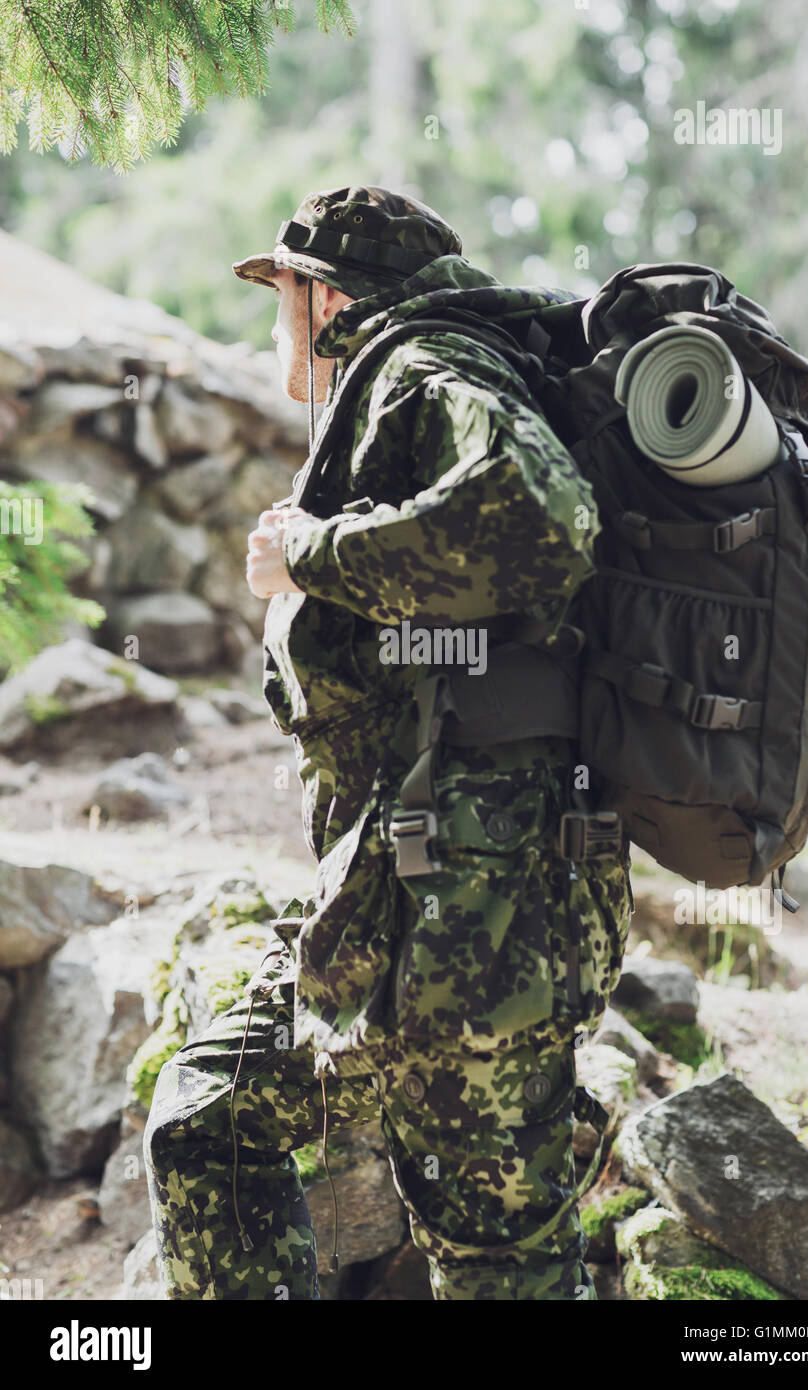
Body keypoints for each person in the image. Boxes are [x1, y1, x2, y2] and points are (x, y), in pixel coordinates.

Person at [143, 184, 634, 1301]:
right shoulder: (420, 377)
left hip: (470, 913)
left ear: (321, 298)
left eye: (280, 294)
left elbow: (542, 519)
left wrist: (311, 553)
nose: (274, 322)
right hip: (440, 899)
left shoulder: (420, 371)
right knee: (218, 1123)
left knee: (487, 1253)